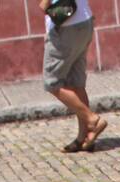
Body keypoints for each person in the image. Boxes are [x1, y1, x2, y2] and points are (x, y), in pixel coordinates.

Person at [39, 0, 106, 153]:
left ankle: (92, 119)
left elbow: (44, 5)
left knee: (52, 83)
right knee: (76, 84)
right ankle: (84, 136)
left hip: (65, 27)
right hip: (84, 21)